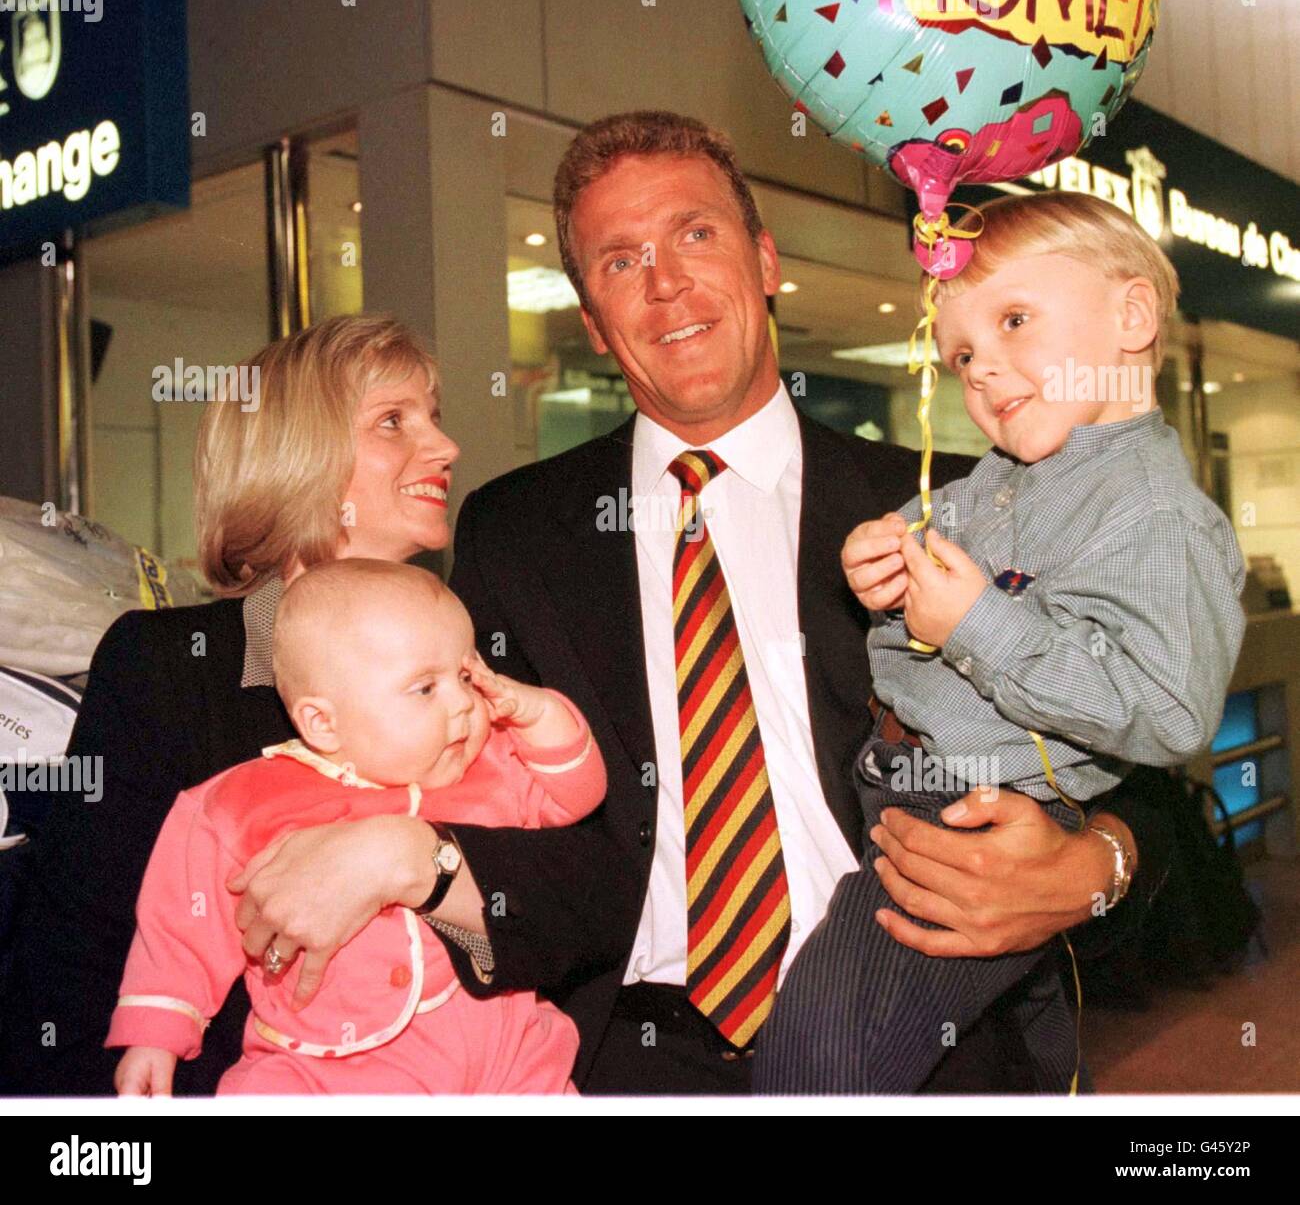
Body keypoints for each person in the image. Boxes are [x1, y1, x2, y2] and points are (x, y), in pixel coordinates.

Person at [214, 111, 1177, 1096]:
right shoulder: (517, 529)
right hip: (629, 1061)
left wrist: (1091, 865)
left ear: (763, 259)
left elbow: (1152, 769)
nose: (666, 281)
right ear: (591, 318)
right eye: (621, 260)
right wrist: (403, 855)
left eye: (696, 234)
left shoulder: (961, 497)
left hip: (931, 1047)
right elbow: (494, 803)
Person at [754, 191, 1247, 1093]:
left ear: (1131, 316)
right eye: (963, 354)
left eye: (1014, 319)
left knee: (822, 1055)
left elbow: (1171, 712)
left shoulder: (1158, 516)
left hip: (977, 817)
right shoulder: (998, 478)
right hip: (902, 787)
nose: (981, 370)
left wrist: (976, 623)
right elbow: (925, 534)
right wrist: (881, 563)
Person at [0, 316, 478, 1096]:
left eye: (434, 416)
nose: (445, 446)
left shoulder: (473, 664)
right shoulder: (171, 672)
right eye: (395, 421)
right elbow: (75, 980)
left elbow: (547, 911)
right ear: (300, 459)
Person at [109, 560, 603, 1096]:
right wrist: (156, 1035)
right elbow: (180, 925)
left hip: (510, 1064)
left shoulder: (494, 766)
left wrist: (538, 713)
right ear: (322, 722)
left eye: (465, 676)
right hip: (325, 1070)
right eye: (424, 688)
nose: (463, 702)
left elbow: (578, 796)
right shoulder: (247, 801)